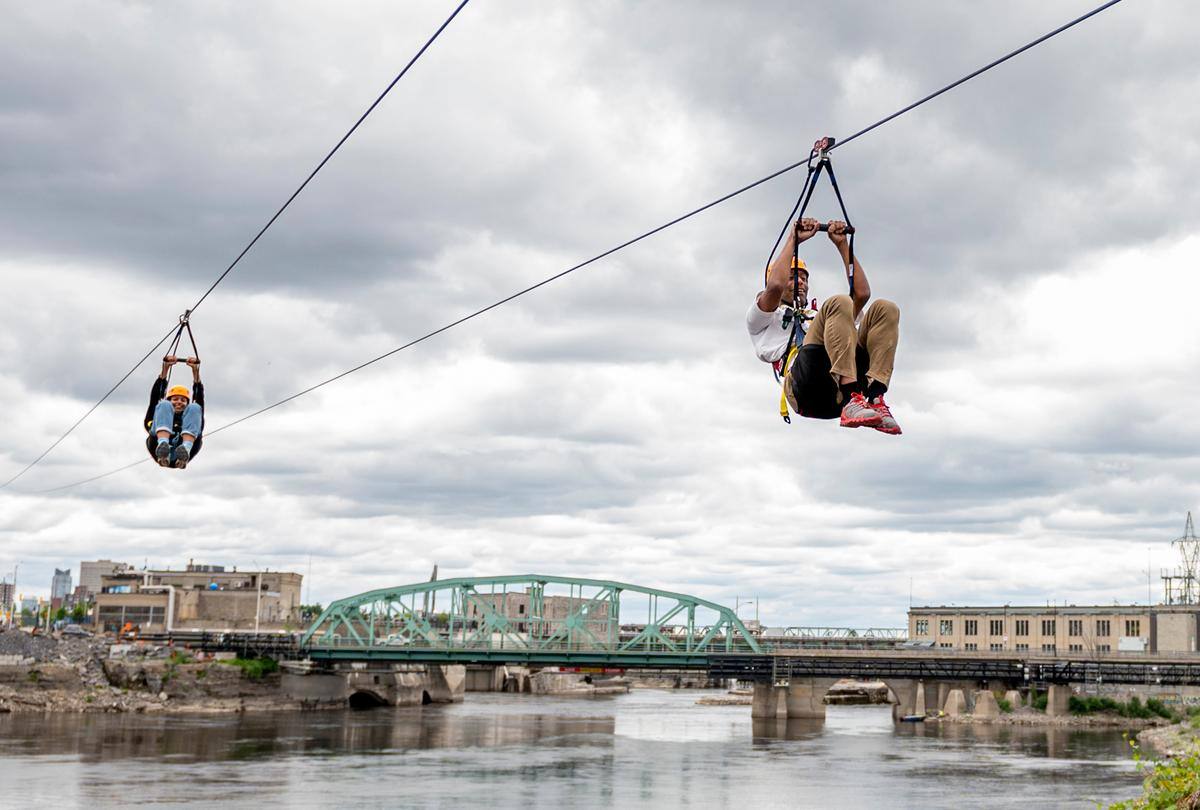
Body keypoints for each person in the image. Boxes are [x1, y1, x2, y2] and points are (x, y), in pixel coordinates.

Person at [747, 217, 902, 434]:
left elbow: (863, 294)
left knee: (885, 309)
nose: (800, 282)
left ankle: (875, 398)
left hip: (835, 385)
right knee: (839, 302)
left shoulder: (820, 315)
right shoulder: (764, 317)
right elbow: (774, 286)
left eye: (803, 278)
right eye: (793, 277)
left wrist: (842, 245)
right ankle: (850, 398)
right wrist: (794, 240)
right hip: (807, 386)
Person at [144, 355, 204, 468]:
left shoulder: (191, 414)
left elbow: (199, 398)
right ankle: (163, 446)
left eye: (183, 400)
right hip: (157, 444)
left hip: (184, 449)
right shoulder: (163, 408)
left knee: (196, 407)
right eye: (175, 399)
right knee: (163, 404)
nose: (179, 402)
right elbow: (155, 396)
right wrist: (165, 368)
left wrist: (195, 371)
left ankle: (185, 450)